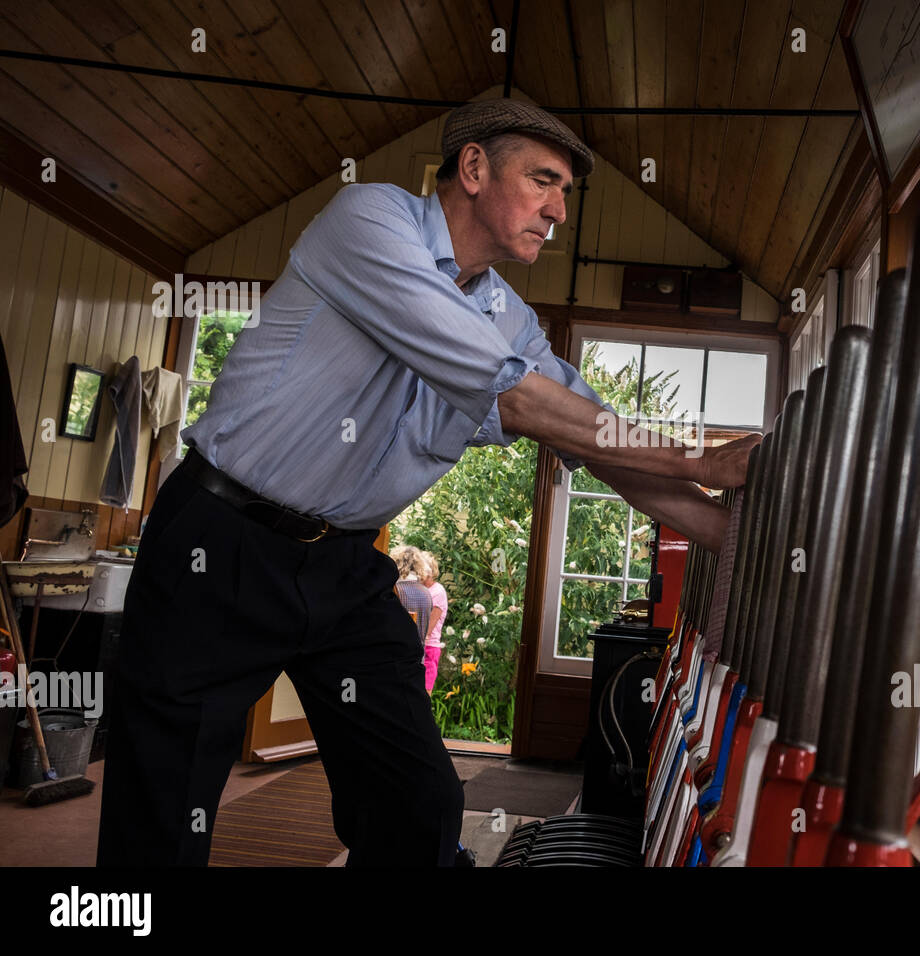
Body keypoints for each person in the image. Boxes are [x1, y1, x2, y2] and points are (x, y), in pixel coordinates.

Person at [95, 97, 758, 868]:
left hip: (342, 568)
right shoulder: (369, 221)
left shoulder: (508, 314)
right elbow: (504, 390)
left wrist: (724, 528)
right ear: (473, 168)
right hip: (222, 541)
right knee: (165, 815)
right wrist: (702, 461)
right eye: (544, 181)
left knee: (418, 802)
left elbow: (594, 434)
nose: (559, 210)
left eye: (568, 192)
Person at [419, 550, 448, 692]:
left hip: (428, 647)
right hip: (417, 646)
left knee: (424, 693)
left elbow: (429, 626)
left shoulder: (438, 591)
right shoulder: (419, 589)